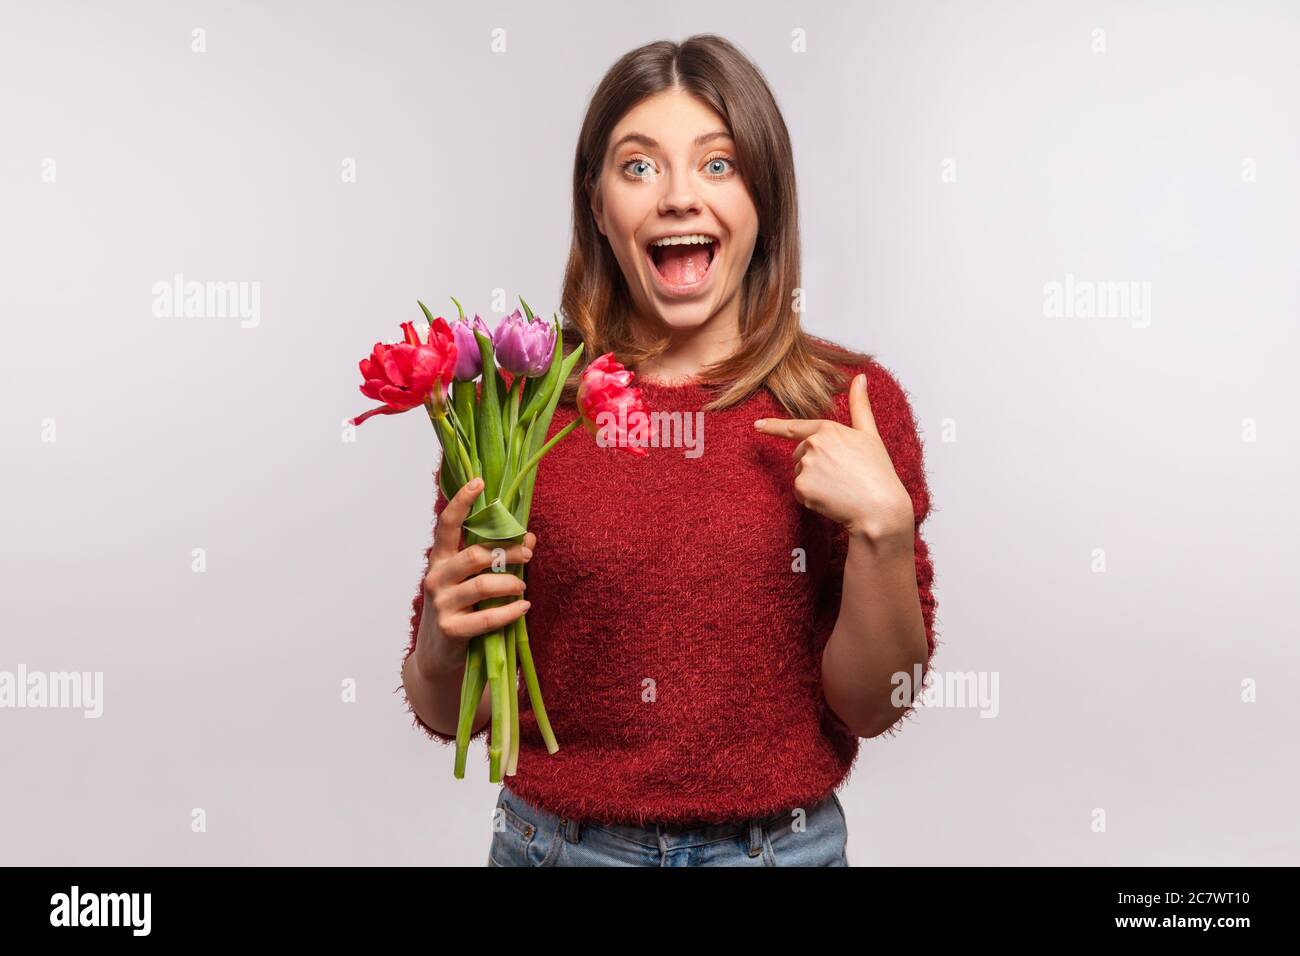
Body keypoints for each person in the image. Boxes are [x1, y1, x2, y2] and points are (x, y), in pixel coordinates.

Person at [399, 34, 938, 867]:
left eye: (718, 165)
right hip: (557, 851)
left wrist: (886, 532)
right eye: (640, 166)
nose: (680, 196)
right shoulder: (517, 410)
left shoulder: (848, 408)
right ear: (596, 203)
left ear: (765, 199)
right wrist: (442, 635)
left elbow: (872, 705)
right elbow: (446, 710)